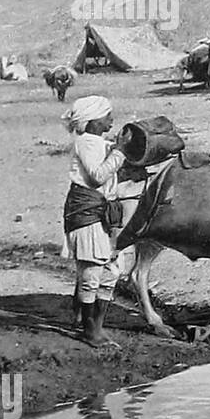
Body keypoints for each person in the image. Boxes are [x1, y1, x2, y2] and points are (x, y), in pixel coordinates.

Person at [61, 96, 128, 346]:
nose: (111, 119)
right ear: (93, 120)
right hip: (87, 211)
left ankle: (95, 326)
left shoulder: (97, 141)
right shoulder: (86, 142)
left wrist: (119, 150)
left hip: (100, 211)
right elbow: (98, 176)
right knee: (92, 271)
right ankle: (89, 330)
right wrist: (120, 152)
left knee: (111, 270)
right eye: (107, 115)